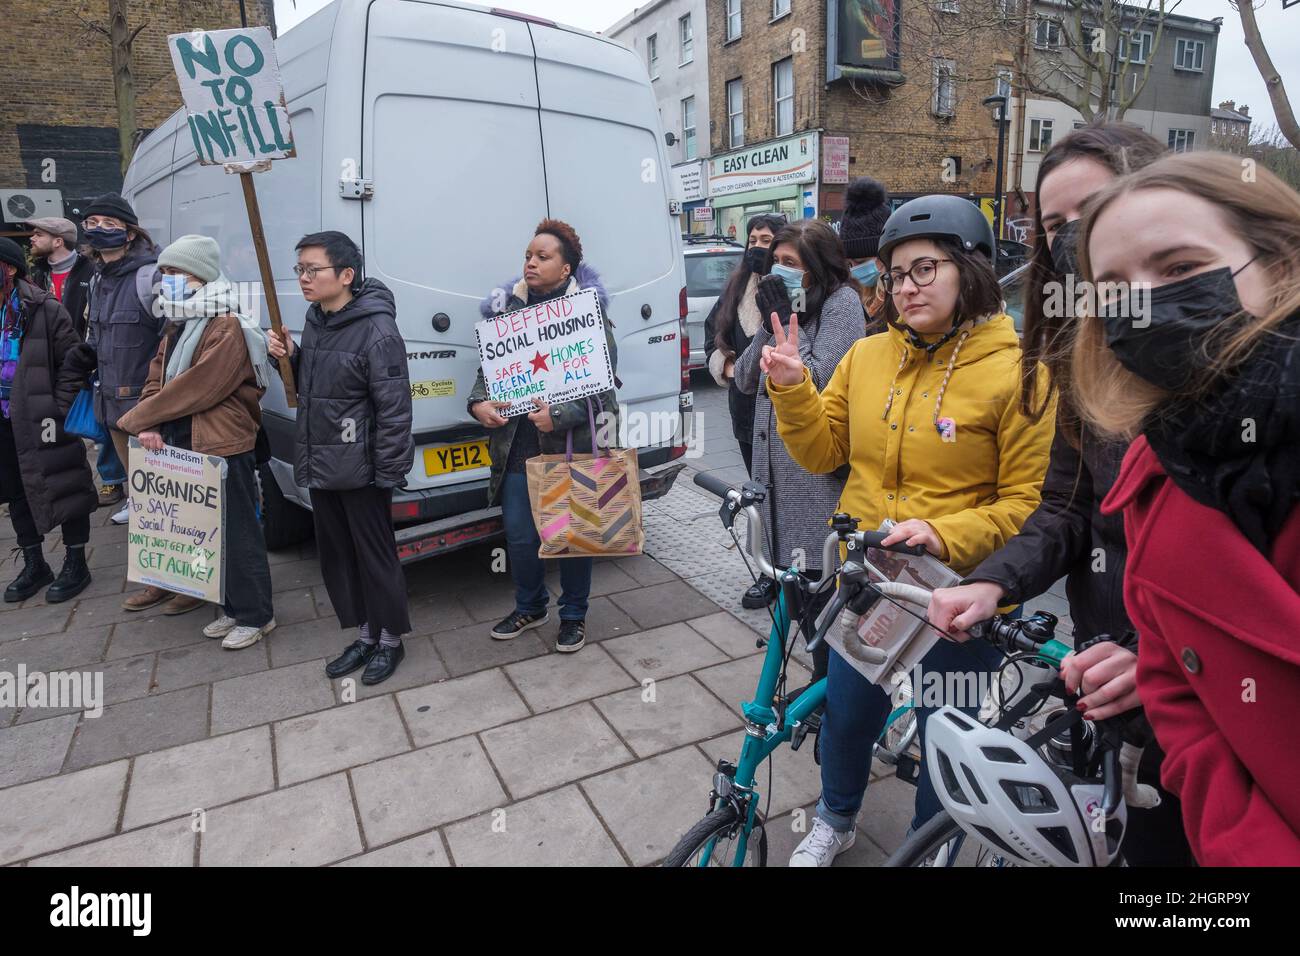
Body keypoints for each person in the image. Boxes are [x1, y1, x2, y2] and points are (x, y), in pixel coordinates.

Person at [926, 124, 1193, 866]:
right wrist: (991, 582)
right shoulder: (1082, 357)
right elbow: (1070, 509)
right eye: (1054, 226)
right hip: (1104, 676)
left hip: (1217, 707)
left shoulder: (1234, 366)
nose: (1077, 238)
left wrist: (1167, 658)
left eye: (1098, 207)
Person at [761, 196, 1055, 866]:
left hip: (958, 592)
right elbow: (821, 452)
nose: (904, 287)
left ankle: (928, 847)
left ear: (970, 270)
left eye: (925, 269)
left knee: (943, 731)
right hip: (870, 579)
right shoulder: (868, 356)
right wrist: (793, 389)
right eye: (893, 275)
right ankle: (835, 819)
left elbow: (1029, 506)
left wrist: (944, 532)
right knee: (847, 710)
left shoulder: (1019, 370)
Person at [1072, 151, 1300, 866]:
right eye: (1113, 288)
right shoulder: (1154, 468)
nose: (1141, 304)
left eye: (1177, 268)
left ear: (1280, 263)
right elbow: (1182, 700)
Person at [267, 231, 414, 685]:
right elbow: (320, 379)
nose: (304, 279)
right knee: (338, 556)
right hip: (323, 460)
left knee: (375, 557)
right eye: (300, 270)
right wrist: (290, 357)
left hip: (363, 470)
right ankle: (365, 634)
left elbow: (394, 408)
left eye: (313, 269)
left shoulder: (378, 331)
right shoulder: (318, 319)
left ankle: (391, 640)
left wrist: (385, 472)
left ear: (346, 275)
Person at [116, 235, 276, 648]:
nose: (166, 279)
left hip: (223, 443)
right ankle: (231, 608)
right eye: (164, 272)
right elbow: (159, 374)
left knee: (238, 532)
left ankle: (257, 615)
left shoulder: (228, 323)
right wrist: (149, 423)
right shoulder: (180, 318)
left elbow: (200, 386)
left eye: (175, 273)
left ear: (200, 277)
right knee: (206, 532)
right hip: (183, 440)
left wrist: (138, 418)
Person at [468, 218, 617, 654]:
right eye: (528, 256)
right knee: (519, 536)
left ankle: (573, 615)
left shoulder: (588, 315)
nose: (530, 263)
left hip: (567, 447)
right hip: (517, 448)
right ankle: (531, 607)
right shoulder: (507, 314)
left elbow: (604, 391)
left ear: (566, 268)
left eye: (542, 256)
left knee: (570, 537)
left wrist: (562, 414)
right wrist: (478, 404)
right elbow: (487, 374)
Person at [733, 219, 866, 679]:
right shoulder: (786, 307)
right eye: (776, 262)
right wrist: (771, 327)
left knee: (827, 600)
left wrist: (791, 333)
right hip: (778, 485)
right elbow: (746, 379)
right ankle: (819, 683)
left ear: (817, 269)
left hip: (817, 485)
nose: (779, 271)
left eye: (790, 264)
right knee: (797, 595)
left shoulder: (842, 303)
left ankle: (830, 690)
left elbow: (822, 378)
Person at [0, 238, 97, 604]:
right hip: (4, 421)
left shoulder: (42, 307)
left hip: (43, 416)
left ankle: (76, 563)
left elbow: (76, 359)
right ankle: (34, 562)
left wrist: (59, 408)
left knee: (66, 483)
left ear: (9, 269)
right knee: (16, 492)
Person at [701, 213, 784, 609]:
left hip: (788, 412)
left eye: (766, 239)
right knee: (759, 492)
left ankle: (797, 572)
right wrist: (729, 367)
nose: (756, 245)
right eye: (752, 238)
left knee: (790, 495)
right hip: (747, 412)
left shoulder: (794, 288)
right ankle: (769, 574)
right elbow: (710, 332)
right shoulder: (735, 286)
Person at [81, 193, 162, 526]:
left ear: (129, 233)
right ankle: (136, 499)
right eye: (92, 223)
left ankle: (158, 516)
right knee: (132, 467)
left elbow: (171, 338)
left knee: (159, 473)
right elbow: (96, 334)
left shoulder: (151, 277)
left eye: (109, 224)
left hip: (147, 400)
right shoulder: (98, 278)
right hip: (111, 397)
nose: (99, 229)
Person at [837, 177, 891, 330]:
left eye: (860, 262)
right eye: (849, 264)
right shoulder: (847, 300)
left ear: (885, 256)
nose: (853, 270)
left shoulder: (902, 307)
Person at [26, 217, 92, 340]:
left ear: (58, 242)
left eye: (38, 235)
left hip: (81, 353)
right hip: (49, 352)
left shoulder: (91, 271)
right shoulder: (40, 273)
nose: (32, 238)